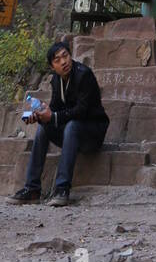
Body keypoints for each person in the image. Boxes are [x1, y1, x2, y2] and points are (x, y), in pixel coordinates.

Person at [11, 41, 109, 206]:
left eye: (65, 56)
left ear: (70, 56)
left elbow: (82, 111)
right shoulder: (57, 80)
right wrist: (40, 115)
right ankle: (32, 188)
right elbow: (55, 108)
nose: (64, 62)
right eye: (57, 60)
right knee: (43, 128)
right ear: (52, 66)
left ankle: (62, 189)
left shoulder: (84, 75)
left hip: (92, 134)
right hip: (72, 135)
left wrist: (53, 116)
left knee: (71, 125)